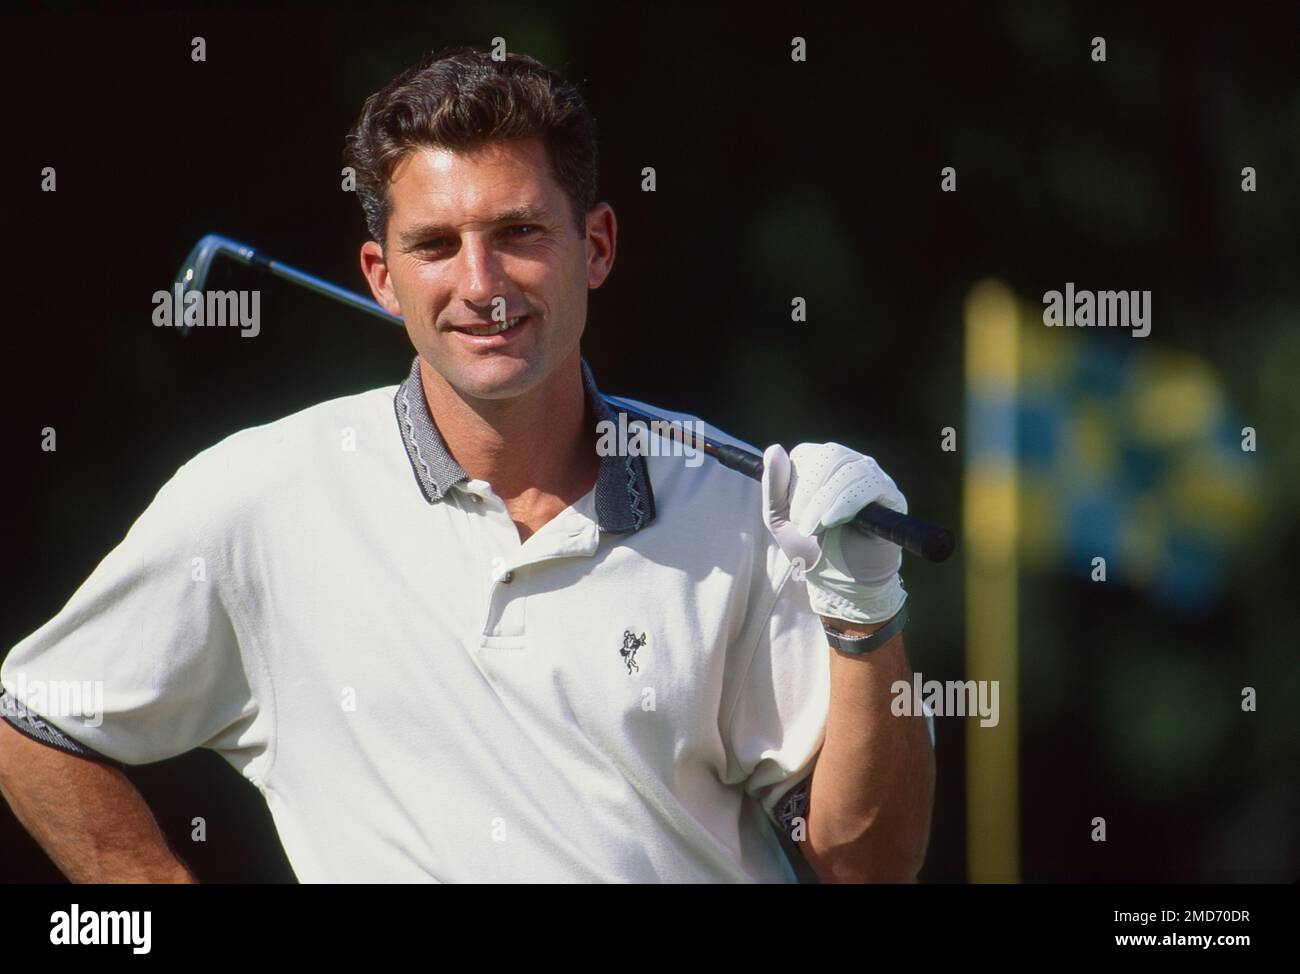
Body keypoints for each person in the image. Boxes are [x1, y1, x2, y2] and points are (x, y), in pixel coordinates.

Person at [0, 46, 934, 883]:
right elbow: (31, 721)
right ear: (381, 275)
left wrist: (865, 623)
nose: (481, 285)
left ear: (595, 246)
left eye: (520, 233)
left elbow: (866, 867)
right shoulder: (259, 498)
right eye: (436, 246)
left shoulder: (754, 509)